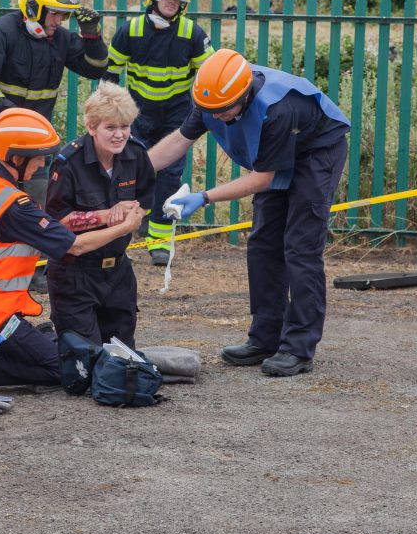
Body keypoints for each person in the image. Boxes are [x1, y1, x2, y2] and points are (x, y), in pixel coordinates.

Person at [149, 49, 349, 376]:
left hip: (316, 151)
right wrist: (136, 170)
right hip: (274, 151)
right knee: (262, 244)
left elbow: (262, 179)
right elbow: (178, 142)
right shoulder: (212, 97)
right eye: (210, 111)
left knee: (300, 247)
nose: (217, 117)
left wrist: (204, 196)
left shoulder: (277, 110)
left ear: (244, 95)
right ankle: (265, 336)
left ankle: (298, 348)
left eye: (224, 111)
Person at [0, 107, 144, 391]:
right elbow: (76, 247)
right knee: (71, 370)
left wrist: (102, 216)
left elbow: (47, 227)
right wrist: (124, 228)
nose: (41, 167)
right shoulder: (14, 207)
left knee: (57, 351)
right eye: (39, 160)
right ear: (16, 159)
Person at [0, 0, 110, 292]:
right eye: (55, 13)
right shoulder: (0, 34)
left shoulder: (61, 39)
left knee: (36, 202)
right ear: (34, 7)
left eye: (64, 15)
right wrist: (13, 117)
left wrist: (92, 37)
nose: (59, 21)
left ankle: (33, 268)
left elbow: (95, 67)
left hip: (28, 148)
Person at [101, 0, 215, 266]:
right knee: (127, 171)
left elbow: (210, 74)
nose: (170, 2)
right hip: (136, 113)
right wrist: (111, 111)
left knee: (170, 174)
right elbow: (111, 72)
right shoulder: (130, 31)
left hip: (176, 115)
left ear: (183, 5)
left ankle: (160, 241)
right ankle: (117, 236)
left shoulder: (193, 34)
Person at [44, 82, 155, 351]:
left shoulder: (136, 154)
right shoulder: (68, 162)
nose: (120, 135)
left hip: (118, 272)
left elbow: (145, 203)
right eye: (110, 128)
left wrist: (132, 209)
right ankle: (42, 342)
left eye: (125, 126)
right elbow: (60, 222)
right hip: (74, 273)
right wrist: (107, 215)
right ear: (92, 128)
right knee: (84, 360)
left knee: (121, 359)